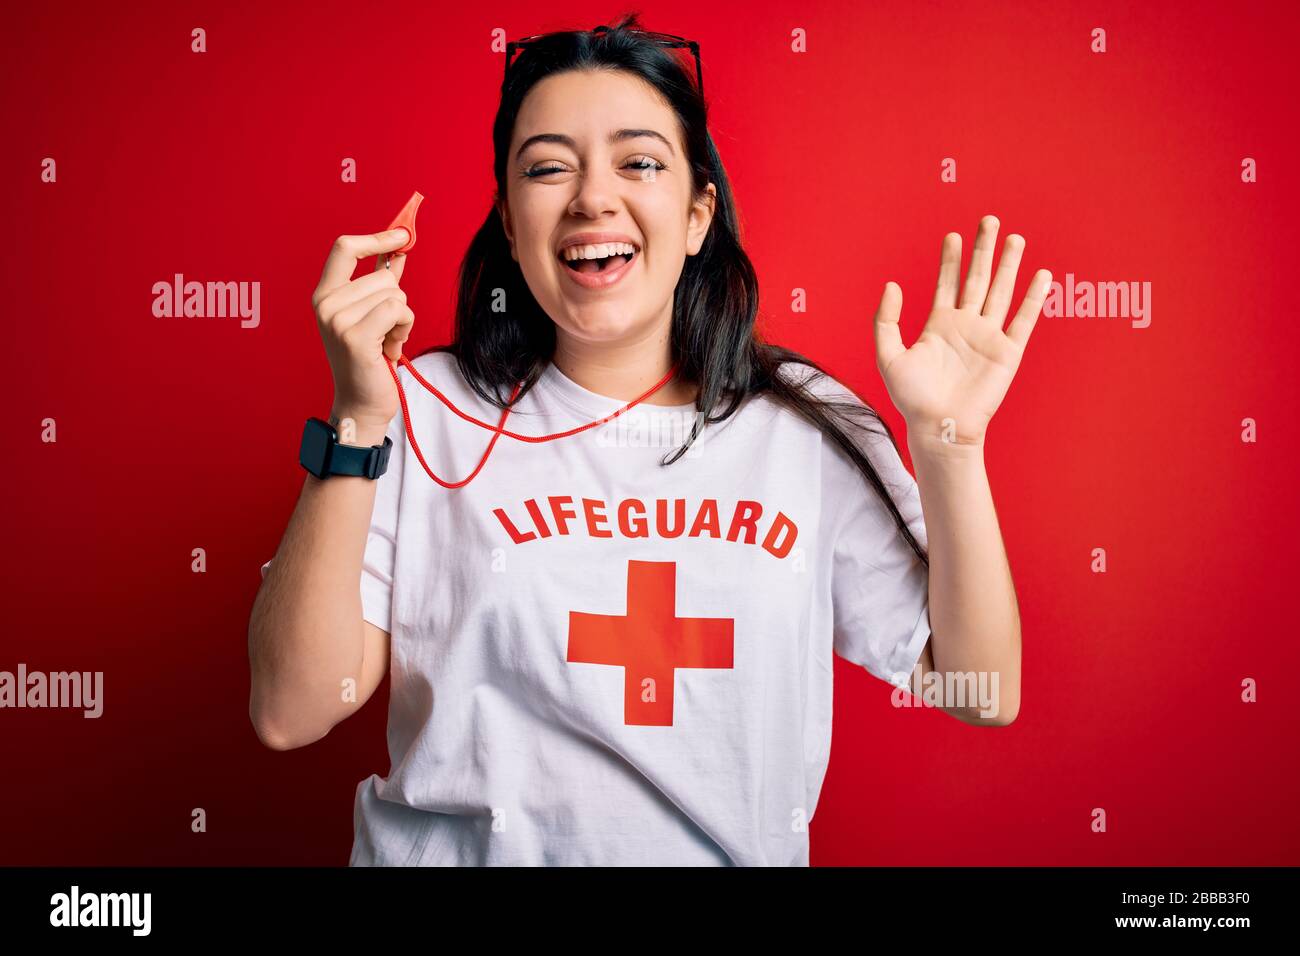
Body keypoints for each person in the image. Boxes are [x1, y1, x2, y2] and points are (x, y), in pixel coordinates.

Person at [248, 14, 1048, 866]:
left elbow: (984, 690)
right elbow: (291, 711)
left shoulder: (802, 429)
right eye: (548, 168)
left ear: (699, 213)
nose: (593, 197)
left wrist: (950, 448)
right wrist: (358, 420)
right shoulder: (424, 408)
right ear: (512, 227)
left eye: (639, 162)